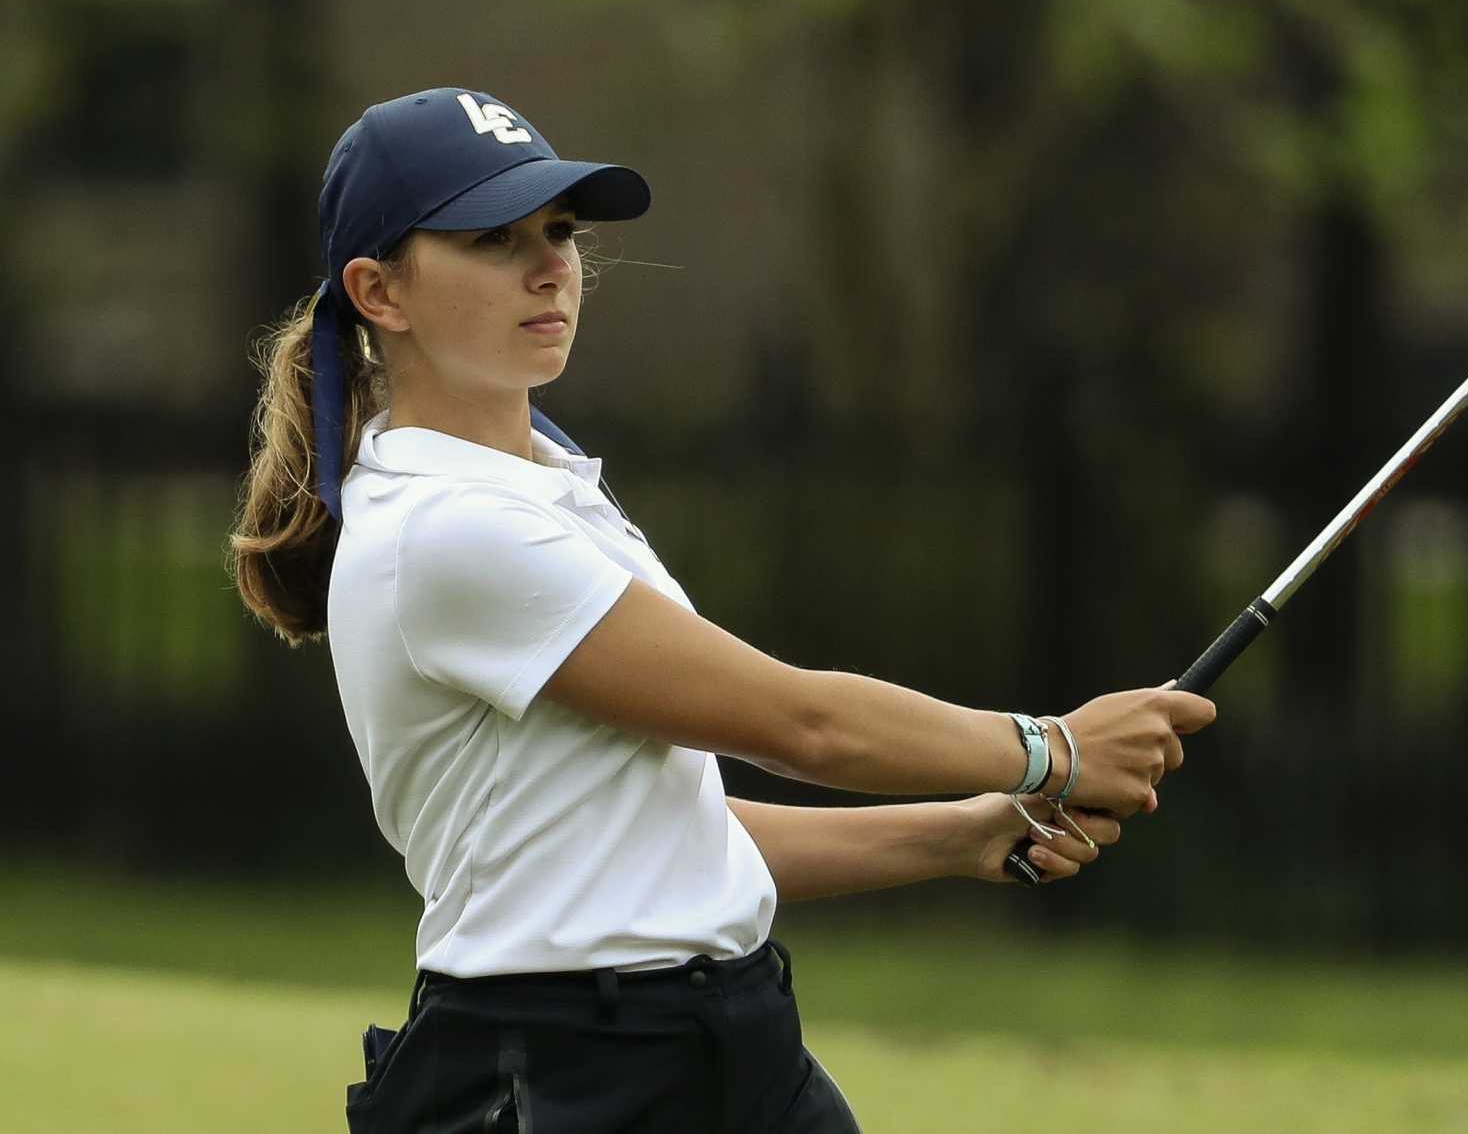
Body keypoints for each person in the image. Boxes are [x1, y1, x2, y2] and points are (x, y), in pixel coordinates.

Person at [226, 87, 1216, 1133]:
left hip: (732, 1039)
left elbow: (670, 833)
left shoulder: (546, 478)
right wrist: (1049, 750)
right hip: (566, 1071)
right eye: (492, 239)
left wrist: (960, 836)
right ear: (379, 291)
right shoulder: (448, 528)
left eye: (559, 232)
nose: (549, 264)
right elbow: (800, 724)